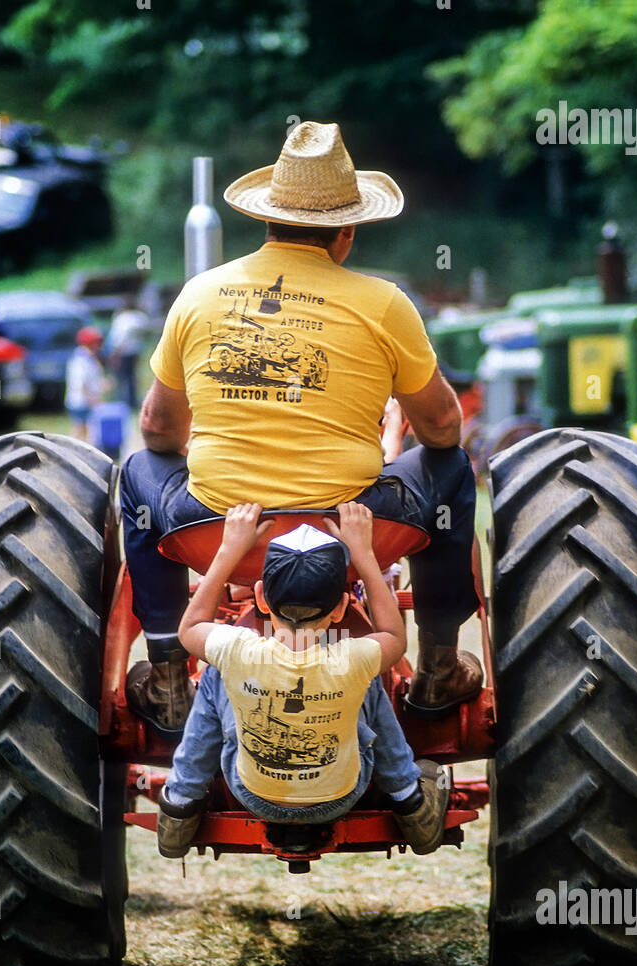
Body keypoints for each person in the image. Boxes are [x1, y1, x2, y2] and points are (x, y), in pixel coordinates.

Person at [120, 119, 482, 735]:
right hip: (357, 530)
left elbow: (157, 428)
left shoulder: (199, 294)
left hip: (216, 532)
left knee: (138, 471)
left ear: (266, 219)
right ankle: (440, 666)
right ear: (348, 232)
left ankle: (167, 674)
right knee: (451, 468)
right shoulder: (385, 303)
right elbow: (444, 427)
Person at [151, 501, 450, 855]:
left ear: (261, 598)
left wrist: (229, 550)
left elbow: (190, 630)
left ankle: (180, 803)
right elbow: (394, 638)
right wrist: (365, 555)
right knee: (366, 675)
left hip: (251, 795)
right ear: (340, 607)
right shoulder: (353, 659)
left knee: (217, 670)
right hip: (343, 796)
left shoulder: (237, 650)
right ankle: (410, 801)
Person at [106, 297, 151, 409]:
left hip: (122, 351)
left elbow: (118, 338)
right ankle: (132, 400)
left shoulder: (122, 319)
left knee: (120, 378)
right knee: (132, 378)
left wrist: (114, 354)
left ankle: (121, 401)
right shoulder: (140, 318)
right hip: (136, 351)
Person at [65, 326, 108, 440]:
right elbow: (81, 383)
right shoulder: (81, 359)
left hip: (87, 401)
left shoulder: (90, 358)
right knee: (79, 430)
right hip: (81, 401)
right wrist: (92, 400)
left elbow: (92, 379)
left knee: (86, 431)